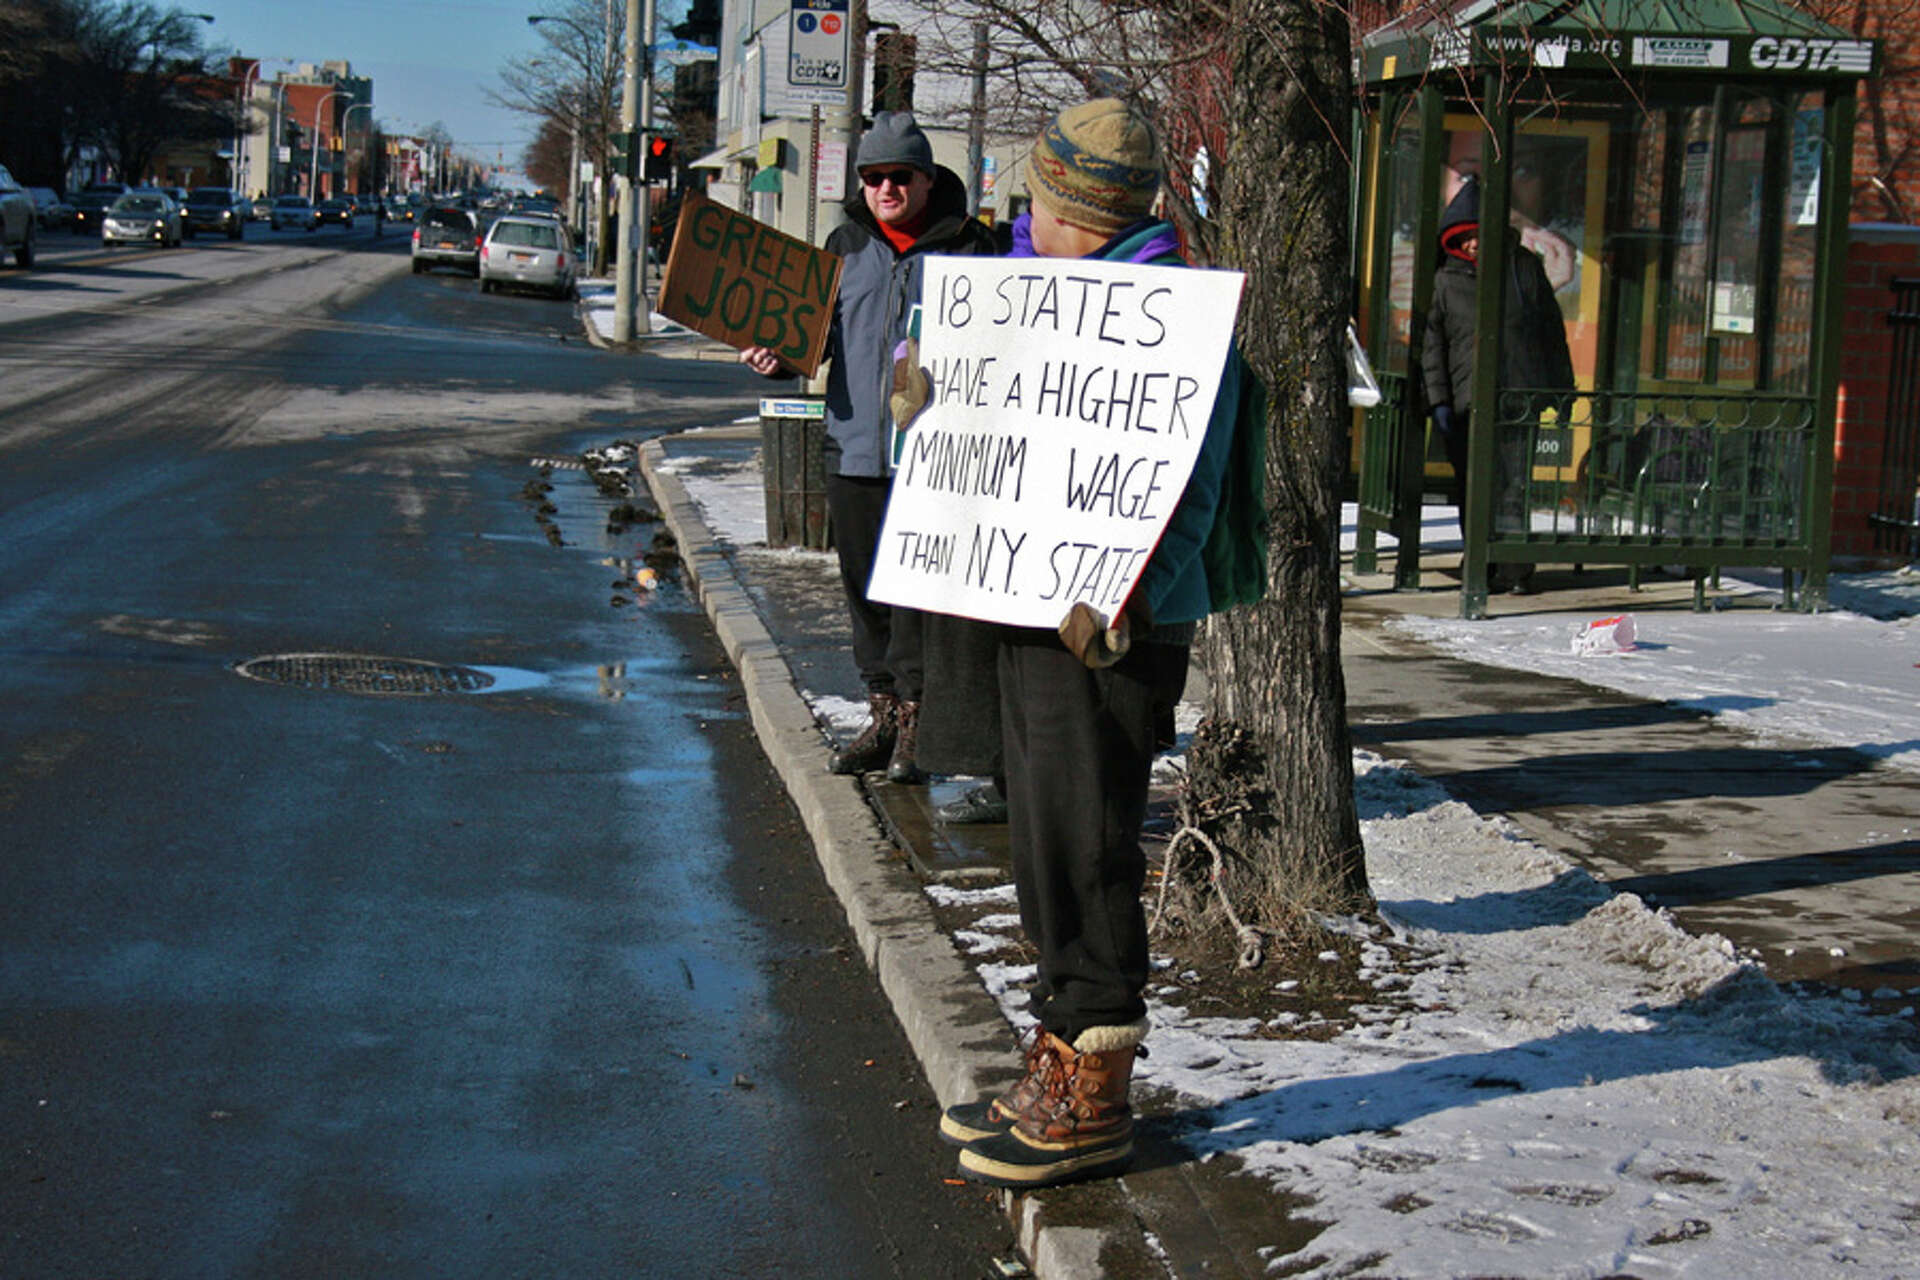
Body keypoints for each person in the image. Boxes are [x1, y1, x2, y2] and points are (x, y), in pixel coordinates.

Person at [937, 98, 1257, 1189]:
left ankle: (1096, 1087)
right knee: (1039, 842)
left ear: (1089, 215)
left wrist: (1127, 596)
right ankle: (1057, 1051)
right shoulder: (1030, 295)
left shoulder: (1171, 319)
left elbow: (1194, 494)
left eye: (1045, 205)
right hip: (1030, 612)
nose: (1029, 217)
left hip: (1109, 633)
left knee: (1088, 843)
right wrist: (921, 398)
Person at [742, 112, 997, 783]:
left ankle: (917, 722)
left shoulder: (971, 250)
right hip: (852, 447)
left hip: (931, 458)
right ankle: (881, 715)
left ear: (925, 179)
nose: (886, 188)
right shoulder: (844, 244)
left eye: (899, 176)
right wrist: (775, 359)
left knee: (916, 595)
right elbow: (811, 339)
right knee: (865, 590)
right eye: (873, 177)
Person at [1421, 176, 1575, 593]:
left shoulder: (1523, 267)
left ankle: (1515, 568)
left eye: (1478, 236)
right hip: (1466, 404)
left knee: (1514, 486)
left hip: (1516, 399)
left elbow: (1549, 331)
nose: (1472, 245)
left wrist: (1562, 394)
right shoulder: (1445, 283)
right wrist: (1439, 402)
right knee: (1473, 489)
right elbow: (1433, 347)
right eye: (1465, 238)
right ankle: (1480, 563)